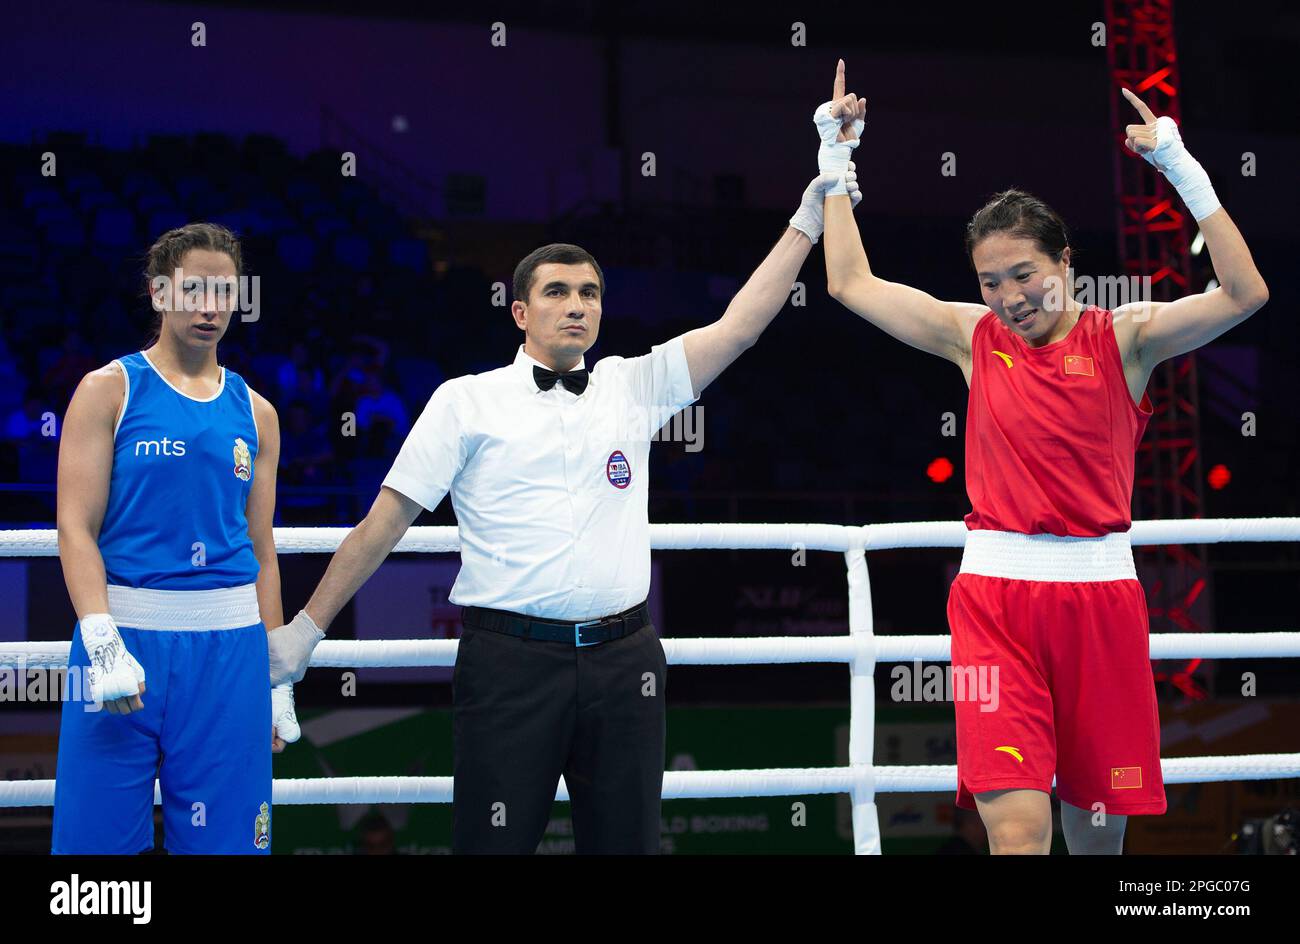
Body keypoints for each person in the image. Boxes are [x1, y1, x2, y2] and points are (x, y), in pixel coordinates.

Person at [266, 172, 863, 854]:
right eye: (557, 292)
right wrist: (305, 631)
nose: (576, 305)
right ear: (520, 311)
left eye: (589, 294)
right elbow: (384, 523)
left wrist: (808, 215)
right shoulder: (466, 401)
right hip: (508, 665)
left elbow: (740, 327)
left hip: (626, 660)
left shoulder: (631, 386)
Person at [821, 61, 1269, 855]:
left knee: (1097, 841)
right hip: (994, 604)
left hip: (1102, 603)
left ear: (1065, 263)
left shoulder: (1125, 339)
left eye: (1024, 275)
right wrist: (835, 163)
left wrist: (1180, 167)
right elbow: (850, 282)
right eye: (991, 281)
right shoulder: (971, 336)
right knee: (1019, 837)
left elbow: (1243, 294)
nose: (1010, 296)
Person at [52, 223, 300, 854]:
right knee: (93, 861)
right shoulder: (107, 391)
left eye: (224, 290)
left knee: (228, 847)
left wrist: (276, 678)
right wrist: (100, 637)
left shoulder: (258, 413)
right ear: (159, 292)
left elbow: (261, 548)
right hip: (120, 642)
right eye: (194, 289)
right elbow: (75, 528)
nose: (210, 306)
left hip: (230, 652)